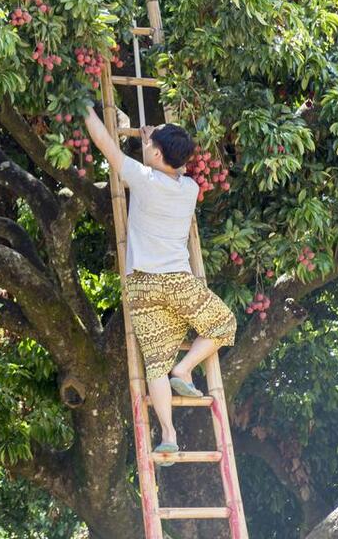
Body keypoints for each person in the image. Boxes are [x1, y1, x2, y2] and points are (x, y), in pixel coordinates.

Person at [83, 104, 237, 464]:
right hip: (176, 282)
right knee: (223, 323)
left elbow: (106, 143)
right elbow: (175, 165)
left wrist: (83, 109)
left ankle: (169, 434)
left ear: (154, 153)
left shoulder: (141, 178)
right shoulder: (189, 188)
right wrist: (154, 141)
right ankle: (183, 370)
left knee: (154, 362)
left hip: (141, 286)